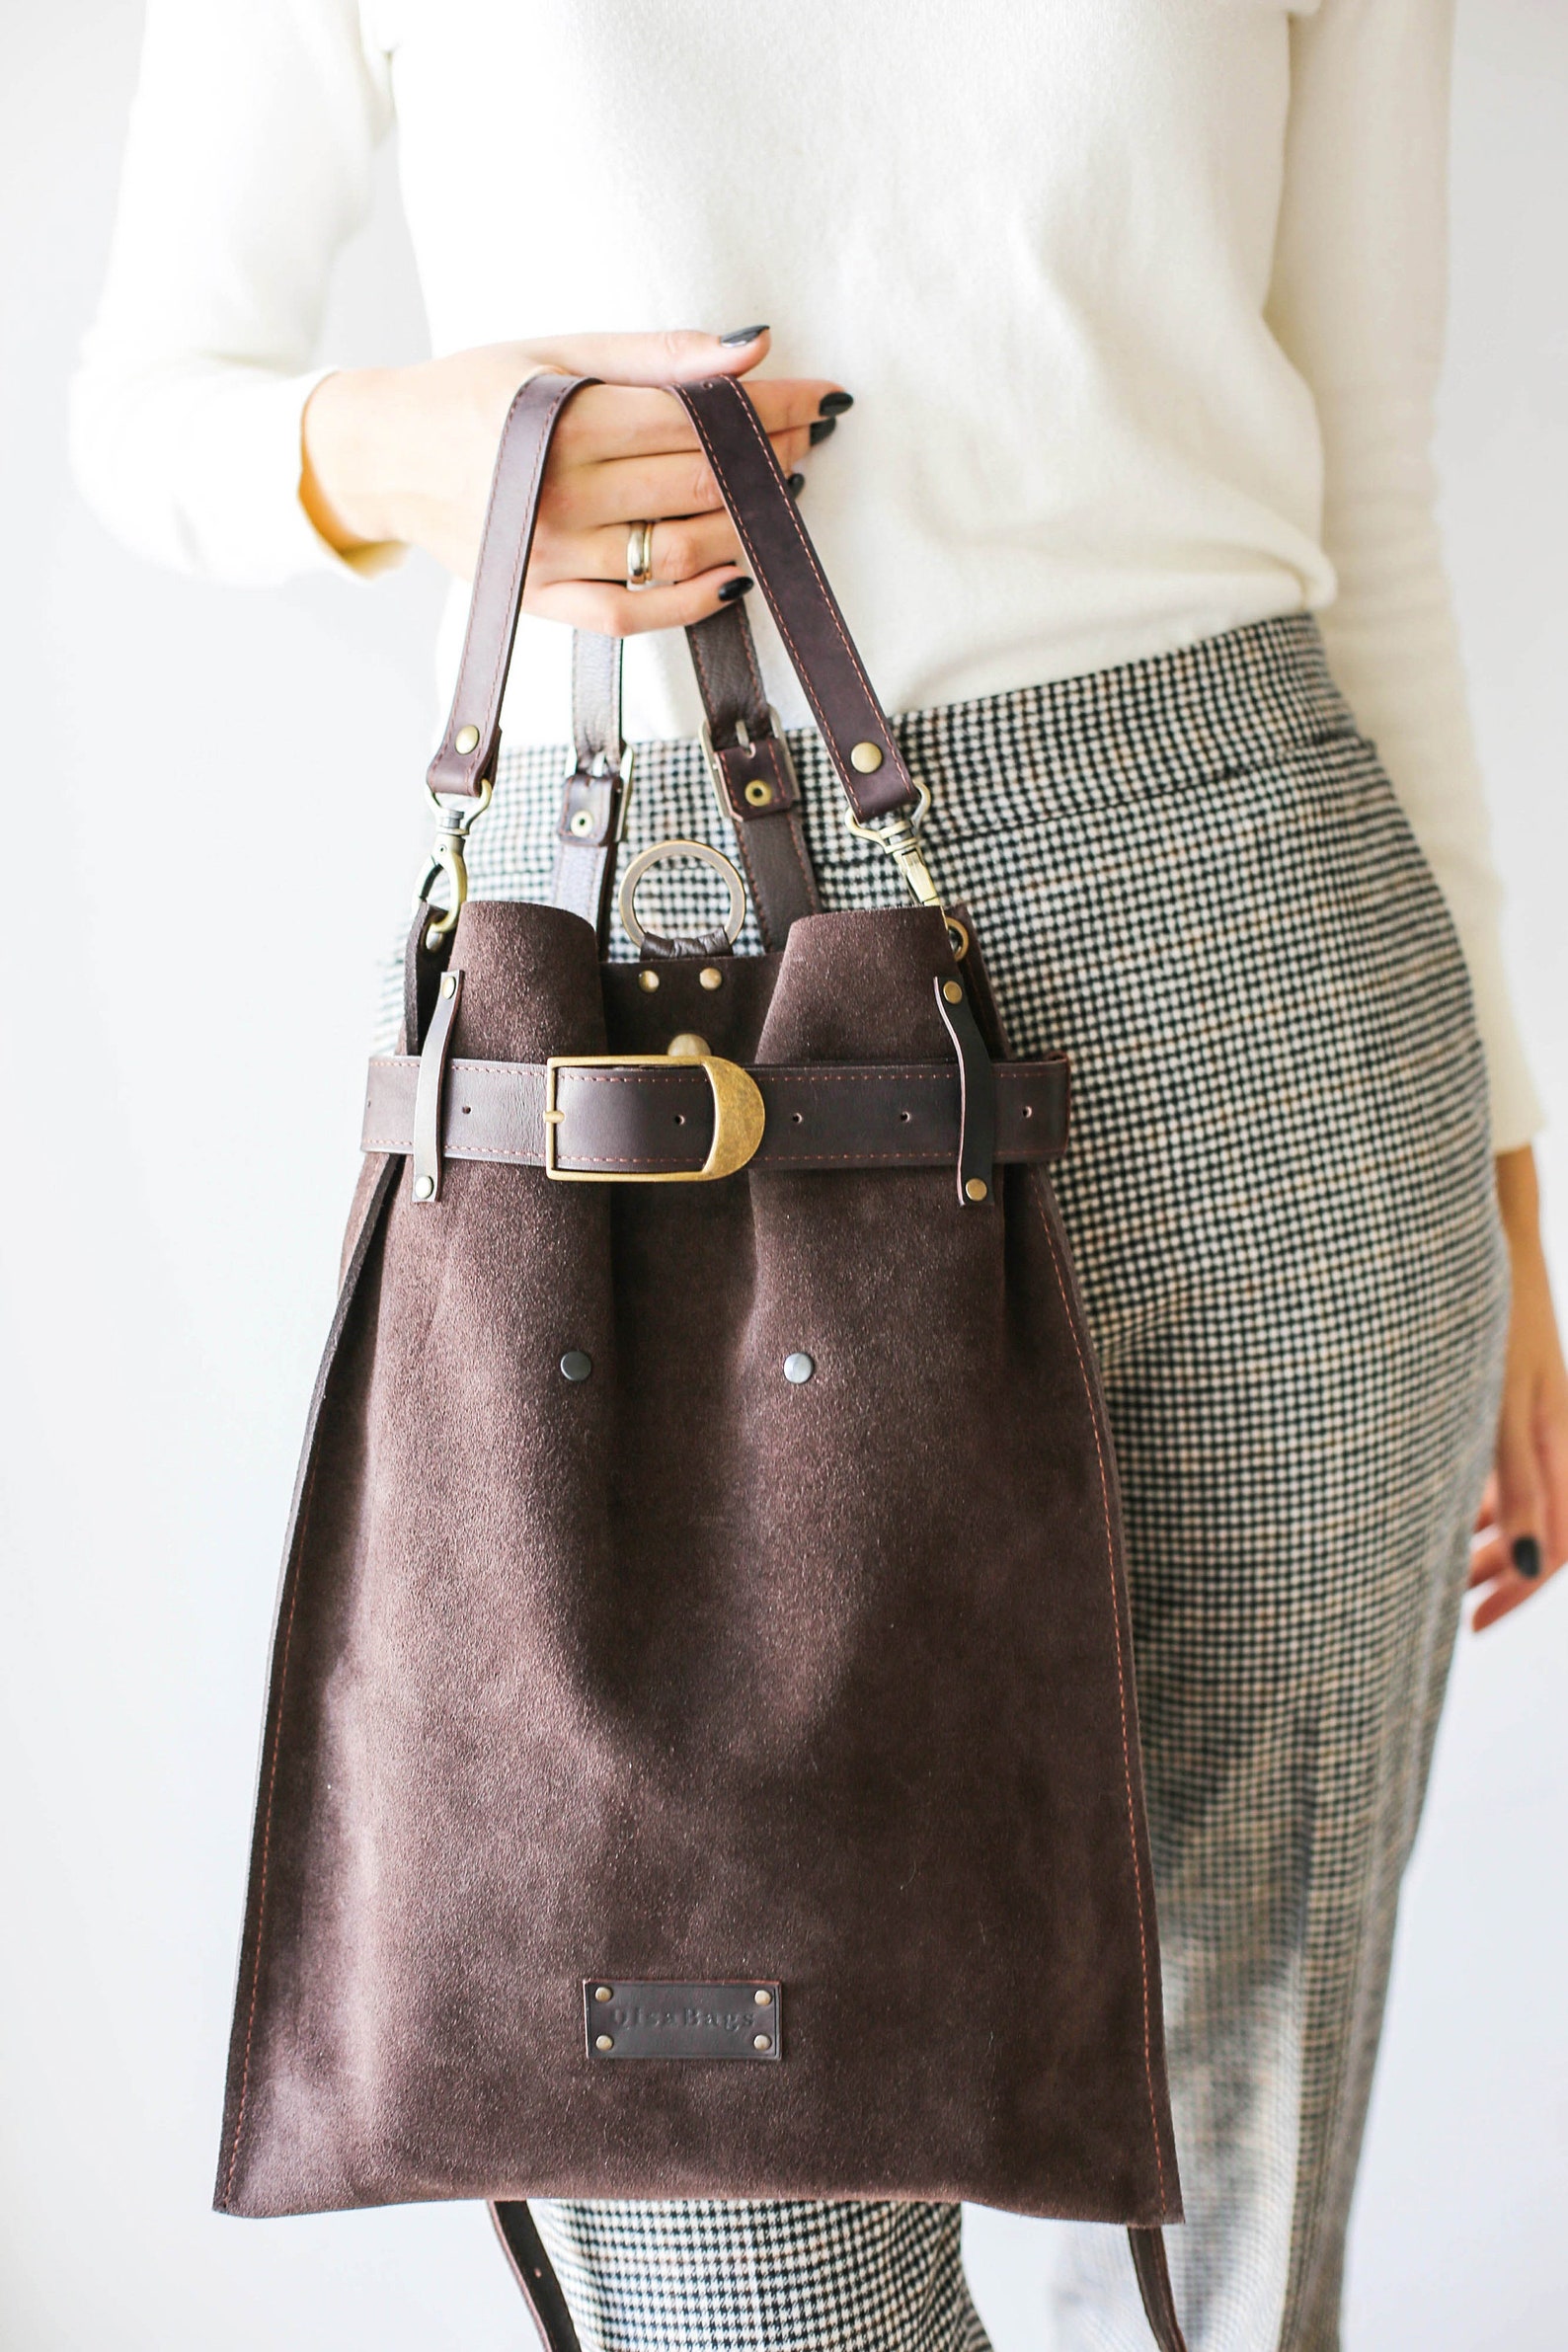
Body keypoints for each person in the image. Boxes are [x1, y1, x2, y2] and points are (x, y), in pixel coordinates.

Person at [72, 3, 1565, 2347]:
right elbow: (145, 404)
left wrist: (1498, 1171)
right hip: (661, 1023)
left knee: (1208, 2234)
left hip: (1275, 972)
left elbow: (1366, 488)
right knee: (746, 2274)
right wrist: (402, 455)